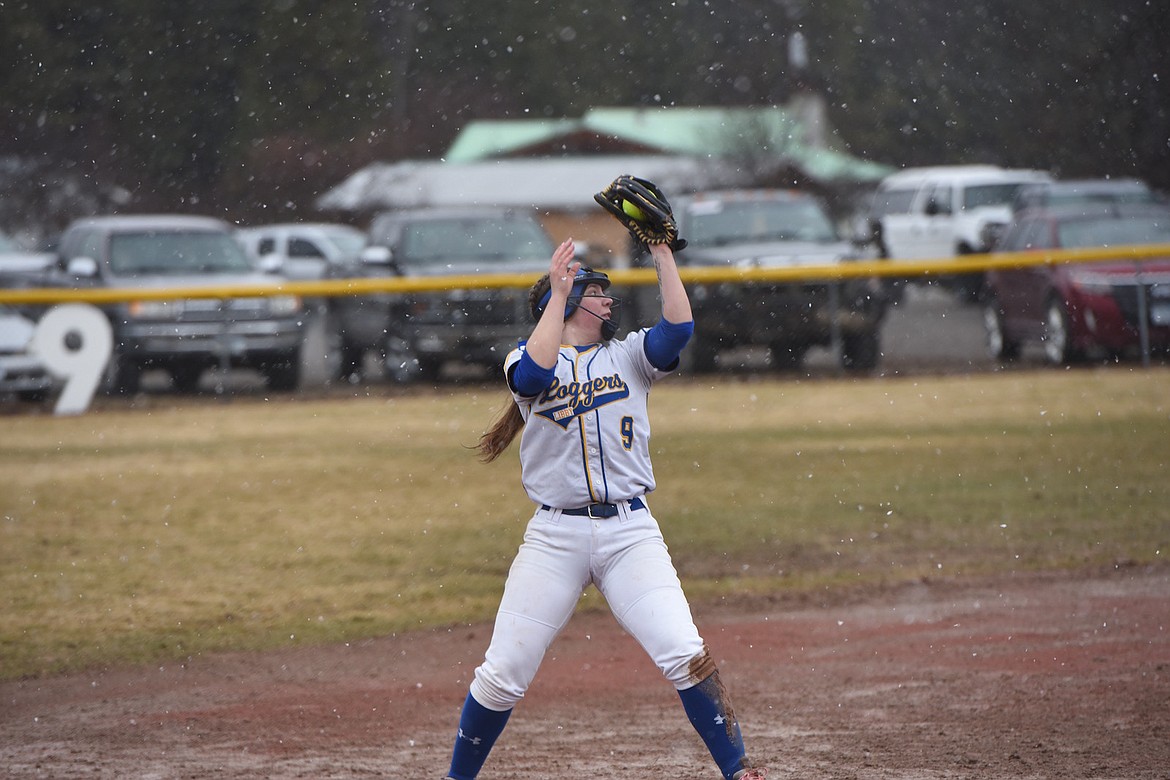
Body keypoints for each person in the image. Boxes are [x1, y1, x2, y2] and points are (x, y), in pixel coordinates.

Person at [443, 236, 767, 779]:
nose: (609, 301)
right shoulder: (524, 360)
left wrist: (663, 255)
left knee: (685, 652)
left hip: (630, 532)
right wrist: (557, 295)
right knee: (503, 674)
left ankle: (740, 770)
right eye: (597, 292)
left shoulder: (629, 356)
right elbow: (535, 378)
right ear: (570, 304)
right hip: (554, 537)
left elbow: (678, 330)